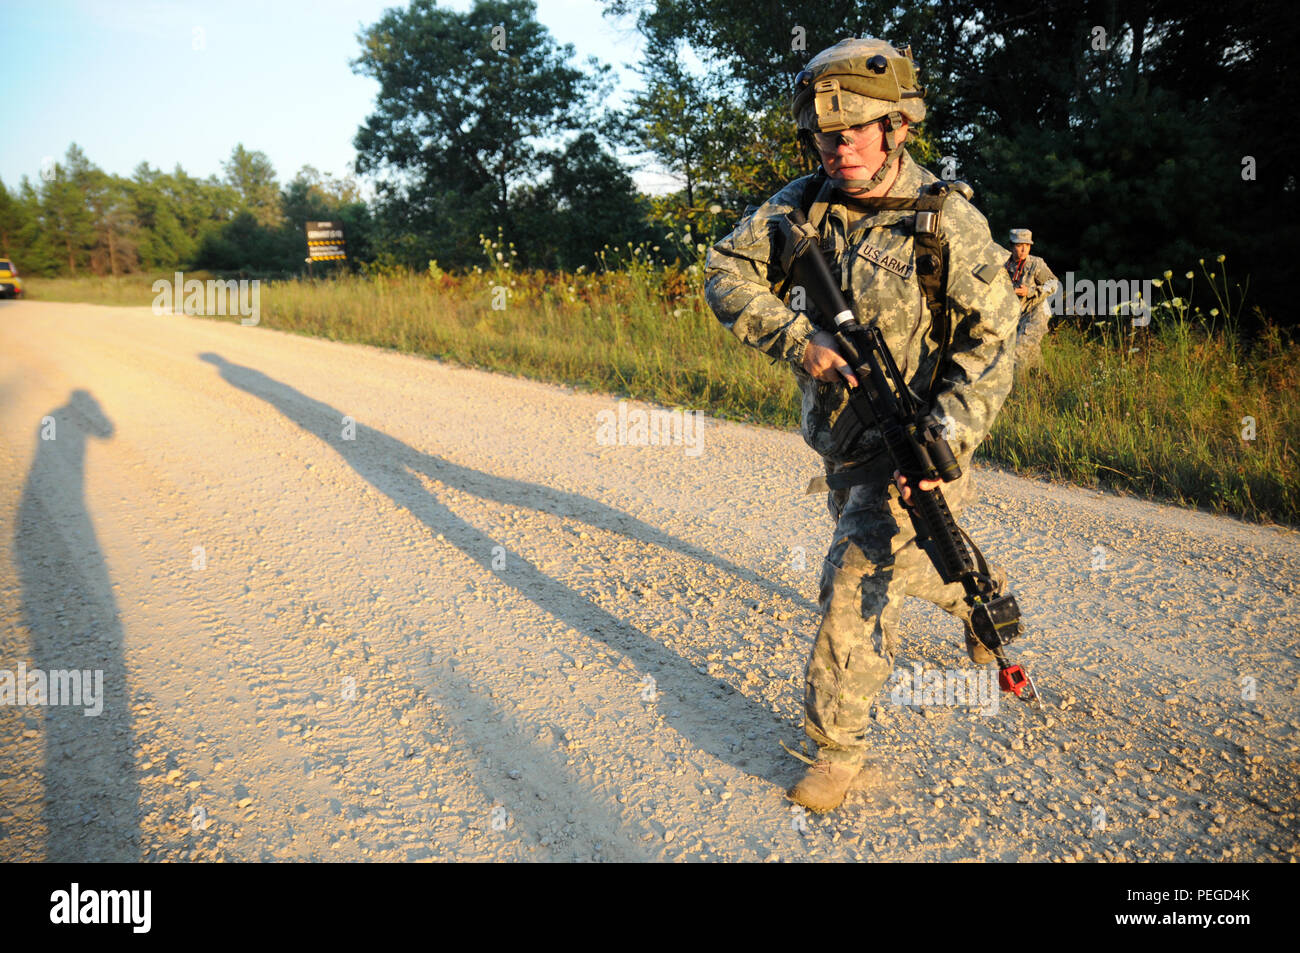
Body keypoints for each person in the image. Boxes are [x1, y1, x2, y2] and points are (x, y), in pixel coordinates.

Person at [704, 37, 1020, 813]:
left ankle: (836, 750)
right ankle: (984, 593)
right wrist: (794, 337)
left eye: (856, 130)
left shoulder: (946, 220)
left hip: (922, 440)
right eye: (825, 132)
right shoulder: (799, 205)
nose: (839, 145)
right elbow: (724, 269)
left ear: (899, 127)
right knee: (898, 563)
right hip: (843, 441)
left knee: (850, 584)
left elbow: (995, 338)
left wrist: (947, 430)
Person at [1005, 229, 1059, 373]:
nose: (1024, 249)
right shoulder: (1004, 266)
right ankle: (1045, 383)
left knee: (1019, 351)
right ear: (1011, 246)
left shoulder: (1036, 264)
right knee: (1033, 357)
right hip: (1017, 316)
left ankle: (1015, 392)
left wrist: (1030, 292)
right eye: (1019, 245)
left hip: (1036, 313)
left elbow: (1053, 284)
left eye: (1027, 245)